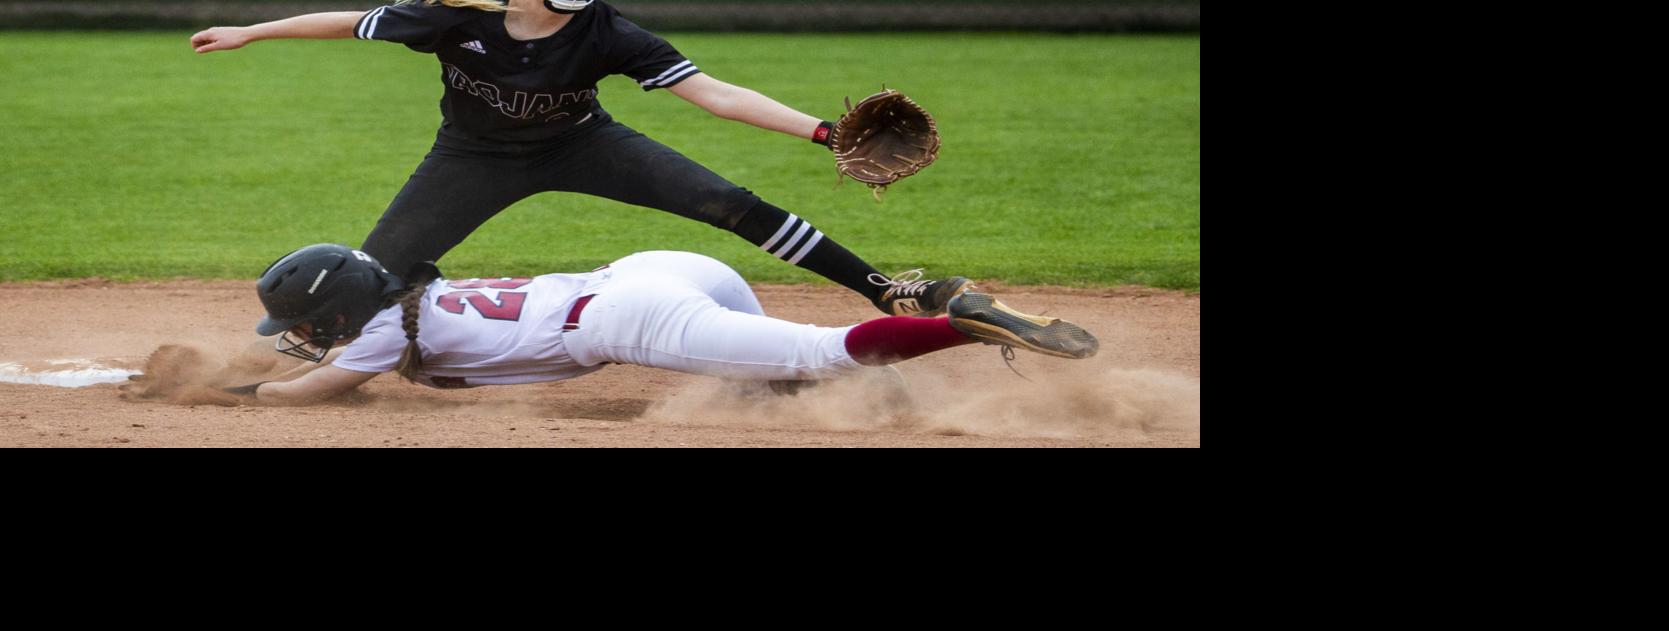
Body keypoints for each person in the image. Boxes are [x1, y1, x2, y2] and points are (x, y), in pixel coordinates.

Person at [191, 0, 971, 317]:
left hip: (583, 145)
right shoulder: (452, 17)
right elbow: (351, 20)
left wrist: (822, 133)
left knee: (727, 201)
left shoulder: (607, 33)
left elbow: (713, 93)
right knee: (380, 269)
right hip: (471, 157)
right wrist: (252, 31)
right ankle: (349, 356)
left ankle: (881, 287)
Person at [227, 244, 1098, 406]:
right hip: (657, 267)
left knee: (818, 355)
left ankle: (964, 322)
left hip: (629, 315)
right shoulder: (422, 298)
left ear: (341, 311)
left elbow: (305, 393)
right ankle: (875, 382)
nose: (304, 335)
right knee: (778, 384)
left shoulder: (379, 337)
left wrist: (237, 394)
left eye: (305, 321)